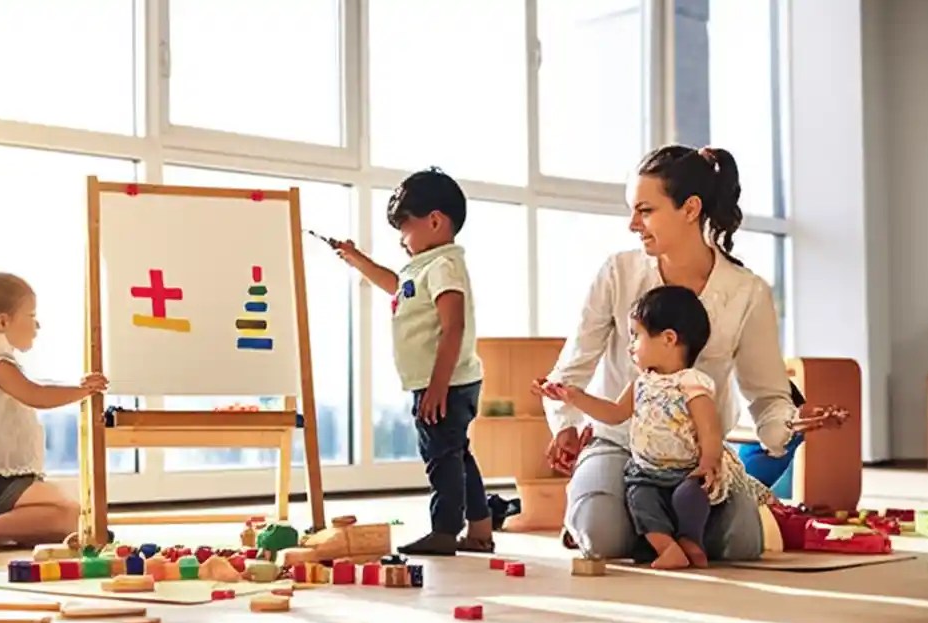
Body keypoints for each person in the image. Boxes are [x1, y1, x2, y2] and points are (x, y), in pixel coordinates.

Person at [541, 144, 800, 561]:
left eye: (645, 210)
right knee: (603, 537)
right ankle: (608, 512)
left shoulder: (746, 293)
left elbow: (768, 397)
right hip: (618, 443)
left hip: (697, 458)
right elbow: (571, 369)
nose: (632, 224)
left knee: (742, 545)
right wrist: (566, 427)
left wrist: (790, 425)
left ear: (690, 208)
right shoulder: (617, 273)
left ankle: (648, 525)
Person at [329, 167, 492, 556]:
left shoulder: (443, 266)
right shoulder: (422, 267)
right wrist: (356, 259)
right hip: (443, 382)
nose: (402, 240)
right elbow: (394, 286)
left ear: (435, 221)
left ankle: (444, 530)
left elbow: (453, 327)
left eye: (405, 229)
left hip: (445, 383)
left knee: (441, 458)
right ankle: (480, 529)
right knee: (456, 454)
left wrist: (437, 386)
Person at [540, 285, 745, 569]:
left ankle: (691, 541)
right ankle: (668, 548)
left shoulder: (692, 384)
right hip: (646, 472)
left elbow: (709, 429)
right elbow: (613, 414)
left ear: (668, 339)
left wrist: (709, 462)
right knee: (641, 500)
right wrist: (575, 397)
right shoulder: (640, 383)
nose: (630, 345)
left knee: (692, 498)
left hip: (686, 472)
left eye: (636, 335)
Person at [0, 273, 107, 548]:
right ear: (2, 322)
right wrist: (84, 391)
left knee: (74, 516)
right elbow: (36, 395)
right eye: (31, 316)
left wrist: (75, 386)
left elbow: (37, 386)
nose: (38, 325)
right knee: (76, 517)